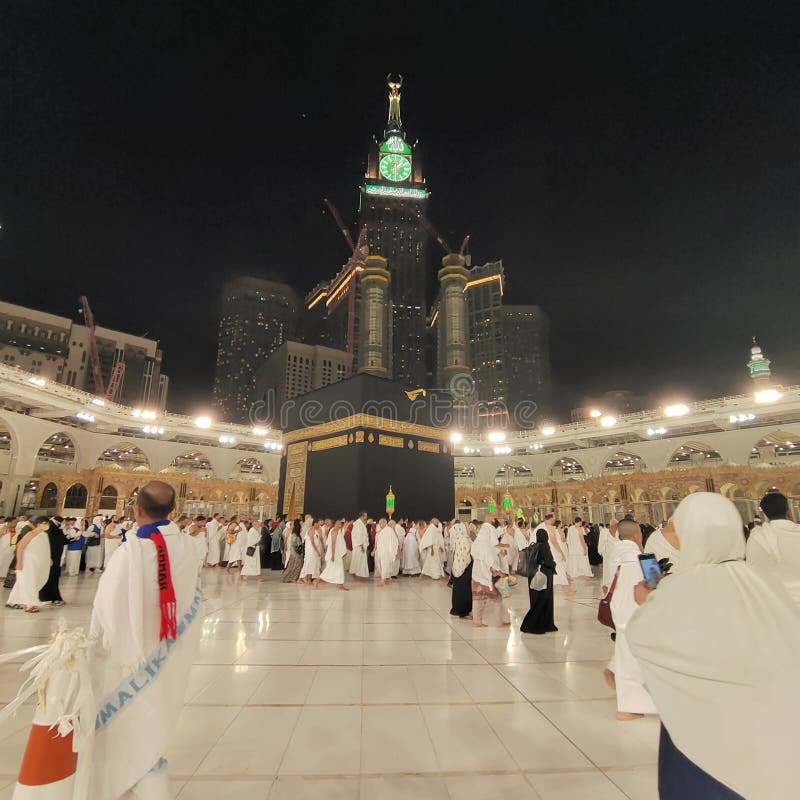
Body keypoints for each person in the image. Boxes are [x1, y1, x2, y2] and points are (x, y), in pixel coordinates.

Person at [628, 492, 800, 800]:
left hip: (701, 739)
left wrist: (647, 602)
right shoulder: (765, 581)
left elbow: (645, 639)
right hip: (773, 735)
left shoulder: (681, 587)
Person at [86, 479, 204, 798]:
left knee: (129, 718)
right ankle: (148, 768)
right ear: (173, 510)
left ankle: (132, 773)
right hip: (170, 650)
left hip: (130, 654)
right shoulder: (188, 547)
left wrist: (98, 644)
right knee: (155, 711)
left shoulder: (132, 551)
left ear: (135, 508)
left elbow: (106, 607)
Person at [604, 519, 657, 721]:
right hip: (639, 612)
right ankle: (630, 706)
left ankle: (617, 677)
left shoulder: (615, 556)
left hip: (619, 611)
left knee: (626, 656)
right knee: (640, 661)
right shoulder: (643, 559)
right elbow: (656, 586)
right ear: (637, 535)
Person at [746, 491, 800, 606]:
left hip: (781, 602)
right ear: (788, 511)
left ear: (764, 514)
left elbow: (754, 573)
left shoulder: (759, 536)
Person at [6, 516, 50, 612]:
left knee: (23, 582)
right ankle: (30, 604)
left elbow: (44, 549)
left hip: (38, 563)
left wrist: (49, 559)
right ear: (38, 524)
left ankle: (12, 601)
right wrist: (19, 562)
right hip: (28, 562)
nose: (47, 525)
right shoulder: (31, 534)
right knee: (29, 582)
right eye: (45, 523)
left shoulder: (44, 535)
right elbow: (20, 548)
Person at [470, 515, 507, 628]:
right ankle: (499, 622)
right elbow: (490, 559)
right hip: (485, 575)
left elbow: (490, 548)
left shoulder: (477, 542)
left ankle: (477, 622)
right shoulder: (485, 544)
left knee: (478, 598)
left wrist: (500, 551)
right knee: (497, 598)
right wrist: (499, 571)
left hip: (476, 574)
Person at [520, 528, 558, 634]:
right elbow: (549, 562)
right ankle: (536, 625)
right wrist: (553, 565)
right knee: (543, 602)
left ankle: (543, 624)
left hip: (534, 577)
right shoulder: (544, 546)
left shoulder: (534, 547)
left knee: (536, 601)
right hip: (544, 577)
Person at [39, 516, 68, 605]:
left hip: (56, 558)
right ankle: (48, 597)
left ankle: (54, 597)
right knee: (50, 577)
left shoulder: (58, 530)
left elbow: (64, 541)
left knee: (54, 577)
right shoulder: (50, 531)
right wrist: (49, 558)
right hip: (51, 558)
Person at [449, 520, 473, 618]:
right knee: (464, 590)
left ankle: (457, 609)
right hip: (464, 568)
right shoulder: (464, 539)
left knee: (457, 590)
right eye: (466, 527)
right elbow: (466, 555)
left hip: (457, 568)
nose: (468, 528)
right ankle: (463, 612)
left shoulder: (458, 539)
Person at [547, 518, 575, 596]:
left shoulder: (552, 530)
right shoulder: (556, 530)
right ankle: (567, 590)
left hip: (554, 550)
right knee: (561, 567)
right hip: (559, 548)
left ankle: (566, 588)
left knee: (559, 568)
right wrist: (561, 553)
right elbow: (560, 540)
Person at [319, 520, 348, 591]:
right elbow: (333, 544)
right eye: (337, 523)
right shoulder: (334, 531)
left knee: (337, 570)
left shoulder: (338, 531)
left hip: (336, 554)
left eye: (340, 524)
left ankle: (340, 585)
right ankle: (317, 581)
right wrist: (333, 555)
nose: (339, 525)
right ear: (334, 524)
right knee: (331, 570)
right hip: (334, 554)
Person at [373, 518, 398, 586]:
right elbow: (378, 542)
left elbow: (395, 540)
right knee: (385, 565)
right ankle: (389, 578)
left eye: (381, 523)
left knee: (385, 565)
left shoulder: (389, 530)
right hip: (382, 551)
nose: (380, 525)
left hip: (387, 551)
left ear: (384, 523)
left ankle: (382, 581)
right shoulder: (382, 531)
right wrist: (374, 550)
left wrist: (392, 550)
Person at [299, 520, 323, 587]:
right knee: (309, 563)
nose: (319, 525)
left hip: (314, 550)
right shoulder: (311, 530)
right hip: (311, 550)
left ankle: (309, 579)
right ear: (315, 523)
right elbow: (312, 542)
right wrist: (317, 551)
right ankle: (302, 577)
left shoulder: (316, 530)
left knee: (313, 564)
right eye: (318, 524)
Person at [349, 512, 370, 580]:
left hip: (361, 544)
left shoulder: (361, 523)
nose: (366, 517)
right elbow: (358, 536)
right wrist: (361, 546)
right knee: (358, 560)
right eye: (365, 516)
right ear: (362, 516)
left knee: (360, 560)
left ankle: (358, 575)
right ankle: (356, 575)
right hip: (359, 545)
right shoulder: (357, 524)